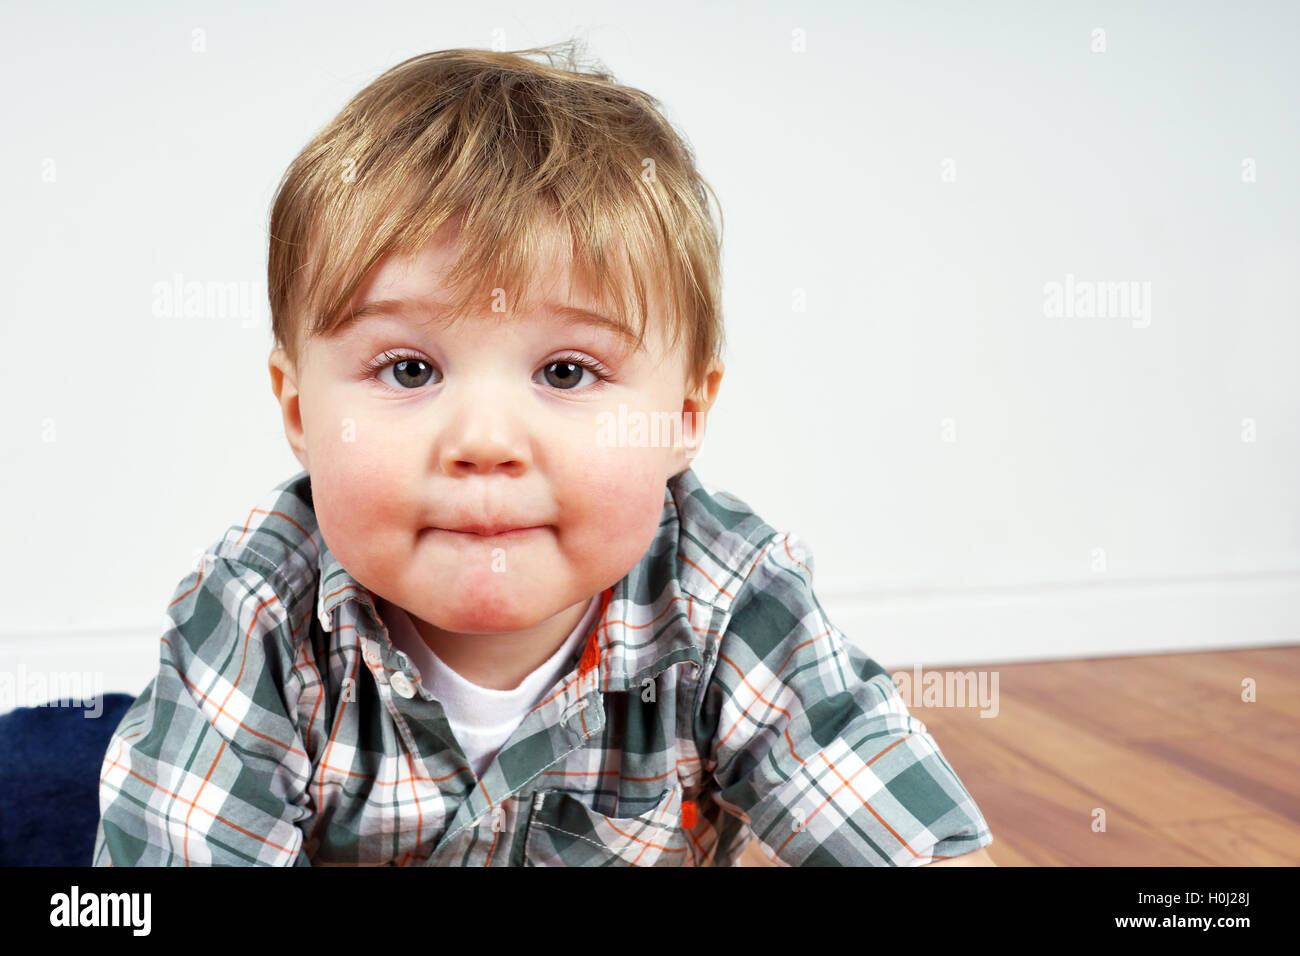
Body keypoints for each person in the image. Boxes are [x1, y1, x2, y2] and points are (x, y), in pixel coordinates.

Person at [93, 42, 995, 866]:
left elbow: (918, 846)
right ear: (298, 407)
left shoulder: (731, 600)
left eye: (567, 372)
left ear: (682, 414)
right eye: (409, 369)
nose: (485, 442)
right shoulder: (262, 611)